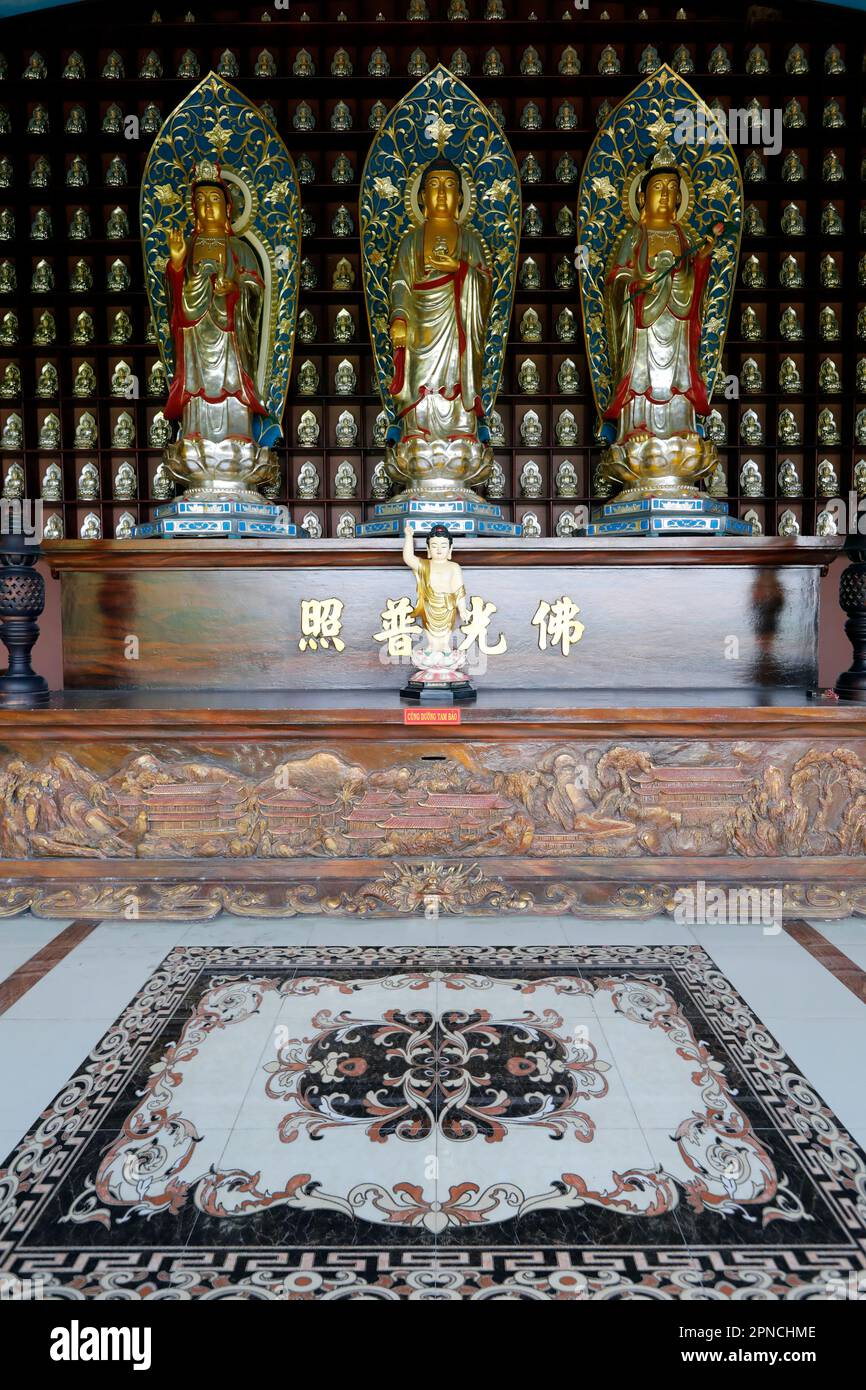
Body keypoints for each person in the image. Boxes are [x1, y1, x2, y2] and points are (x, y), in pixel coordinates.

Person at [389, 158, 491, 445]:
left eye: (450, 187)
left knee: (456, 383)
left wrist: (458, 270)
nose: (443, 194)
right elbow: (400, 283)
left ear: (460, 197)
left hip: (457, 328)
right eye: (434, 186)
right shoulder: (411, 241)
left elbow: (484, 284)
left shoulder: (469, 240)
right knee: (420, 388)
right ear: (422, 197)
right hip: (421, 330)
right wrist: (399, 317)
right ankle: (415, 431)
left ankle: (462, 428)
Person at [402, 521, 468, 657]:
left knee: (447, 626)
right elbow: (408, 558)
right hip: (429, 601)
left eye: (443, 546)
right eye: (434, 546)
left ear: (450, 549)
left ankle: (444, 644)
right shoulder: (425, 565)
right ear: (428, 549)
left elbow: (459, 589)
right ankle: (431, 644)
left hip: (447, 603)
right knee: (429, 624)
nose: (439, 550)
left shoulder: (454, 567)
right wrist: (409, 537)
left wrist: (462, 609)